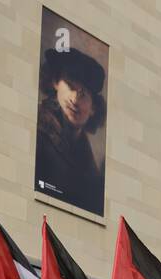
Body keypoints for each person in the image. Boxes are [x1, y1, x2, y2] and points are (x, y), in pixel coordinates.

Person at [34, 47, 107, 215]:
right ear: (55, 82)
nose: (74, 99)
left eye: (84, 94)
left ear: (93, 108)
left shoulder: (90, 165)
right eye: (70, 86)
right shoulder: (38, 130)